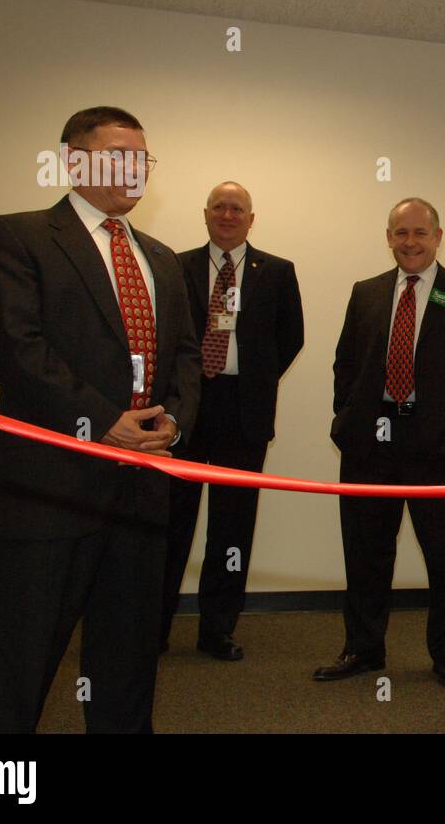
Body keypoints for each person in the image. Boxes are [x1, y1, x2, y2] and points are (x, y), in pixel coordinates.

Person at [0, 106, 201, 733]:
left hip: (141, 490)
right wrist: (104, 421)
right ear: (73, 161)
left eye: (142, 159)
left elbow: (184, 355)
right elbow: (16, 351)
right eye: (118, 155)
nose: (134, 170)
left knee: (127, 661)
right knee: (22, 660)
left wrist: (172, 425)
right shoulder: (15, 236)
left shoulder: (161, 258)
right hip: (51, 488)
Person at [316, 198, 445, 688]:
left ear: (439, 236)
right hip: (369, 444)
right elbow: (345, 363)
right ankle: (363, 649)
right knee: (366, 551)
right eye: (401, 233)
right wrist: (347, 418)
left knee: (444, 554)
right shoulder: (366, 292)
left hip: (437, 444)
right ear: (388, 237)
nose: (410, 242)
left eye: (420, 232)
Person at [160, 181, 304, 660]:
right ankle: (152, 626)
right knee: (169, 522)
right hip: (185, 408)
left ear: (251, 218)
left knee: (231, 529)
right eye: (219, 207)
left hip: (244, 414)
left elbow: (292, 337)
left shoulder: (277, 272)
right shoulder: (173, 266)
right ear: (205, 214)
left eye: (236, 208)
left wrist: (254, 380)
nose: (227, 215)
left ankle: (217, 629)